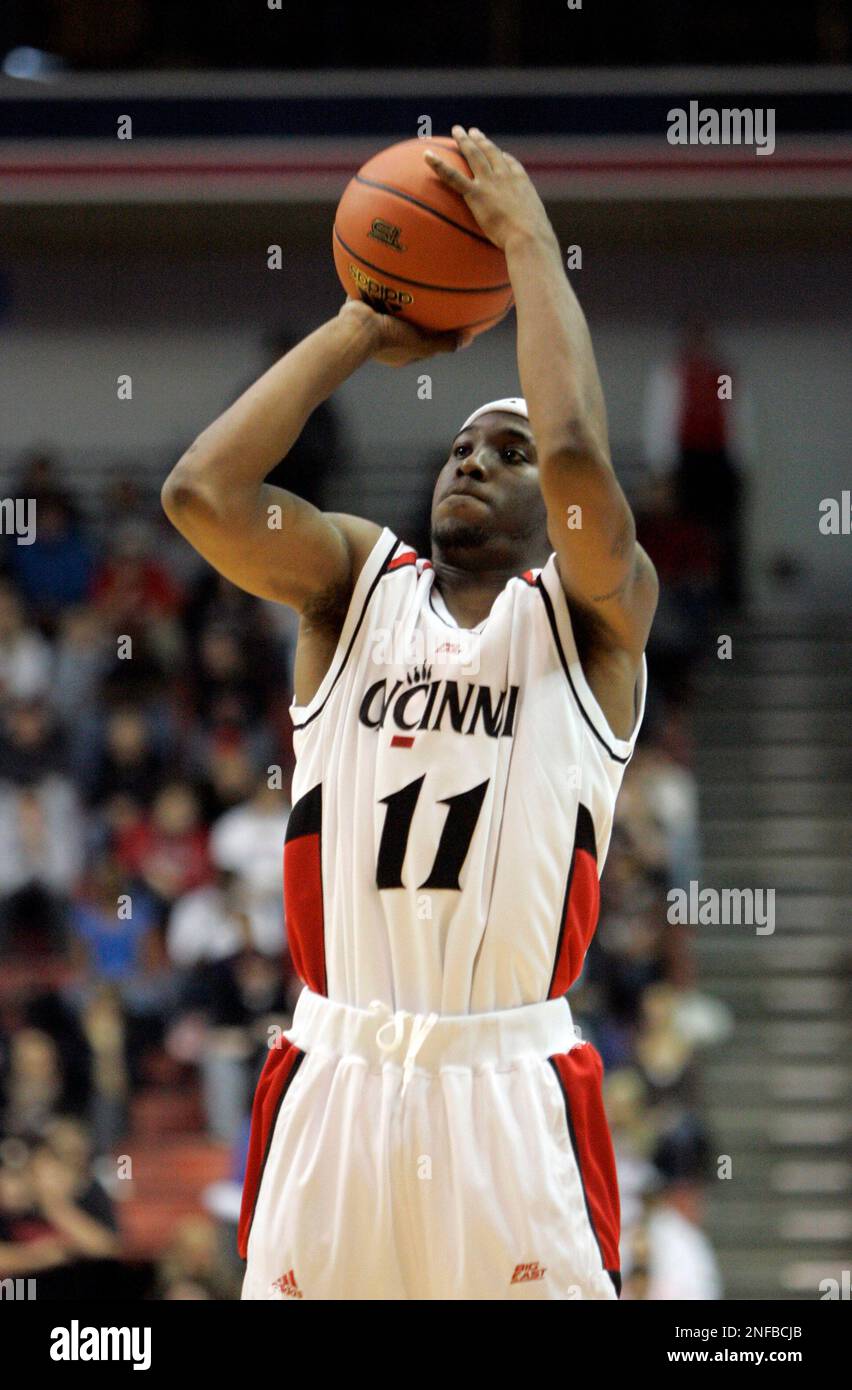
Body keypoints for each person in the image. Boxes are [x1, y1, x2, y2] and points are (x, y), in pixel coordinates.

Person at [162, 125, 658, 1300]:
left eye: (509, 451)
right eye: (461, 444)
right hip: (337, 1070)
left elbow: (582, 443)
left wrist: (530, 238)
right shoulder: (351, 586)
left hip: (506, 1085)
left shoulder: (595, 622)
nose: (473, 463)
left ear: (559, 502)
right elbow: (202, 493)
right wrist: (361, 323)